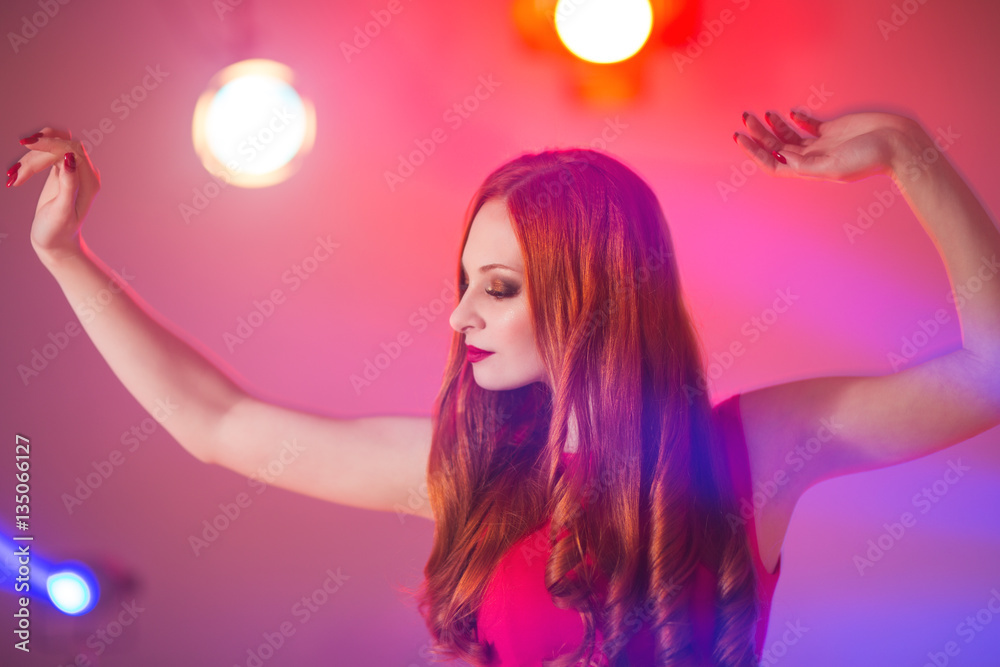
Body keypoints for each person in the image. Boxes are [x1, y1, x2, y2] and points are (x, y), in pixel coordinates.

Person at [9, 107, 1000, 666]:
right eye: (462, 285)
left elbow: (989, 372)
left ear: (594, 290)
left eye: (497, 287)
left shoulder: (751, 451)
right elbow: (218, 423)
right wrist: (65, 256)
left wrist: (910, 152)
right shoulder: (471, 473)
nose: (457, 318)